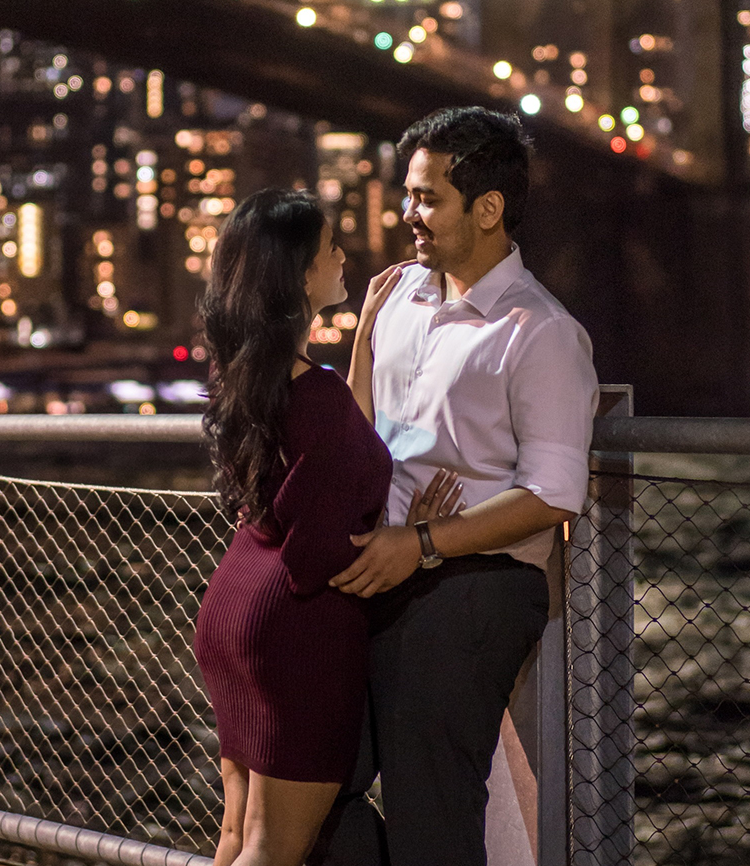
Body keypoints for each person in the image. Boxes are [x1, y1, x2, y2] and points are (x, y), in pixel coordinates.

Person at [315, 107, 600, 866]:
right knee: (309, 783)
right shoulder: (397, 298)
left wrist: (427, 541)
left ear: (488, 207)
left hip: (474, 590)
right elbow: (358, 434)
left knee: (430, 814)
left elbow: (553, 493)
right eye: (408, 195)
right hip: (379, 567)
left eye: (426, 197)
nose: (408, 213)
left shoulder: (539, 332)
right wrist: (363, 337)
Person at [193, 188, 464, 866]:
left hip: (233, 613)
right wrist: (410, 537)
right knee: (275, 849)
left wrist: (367, 329)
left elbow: (336, 434)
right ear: (299, 274)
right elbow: (319, 553)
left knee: (234, 840)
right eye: (330, 248)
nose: (344, 255)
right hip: (295, 634)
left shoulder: (258, 379)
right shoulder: (315, 395)